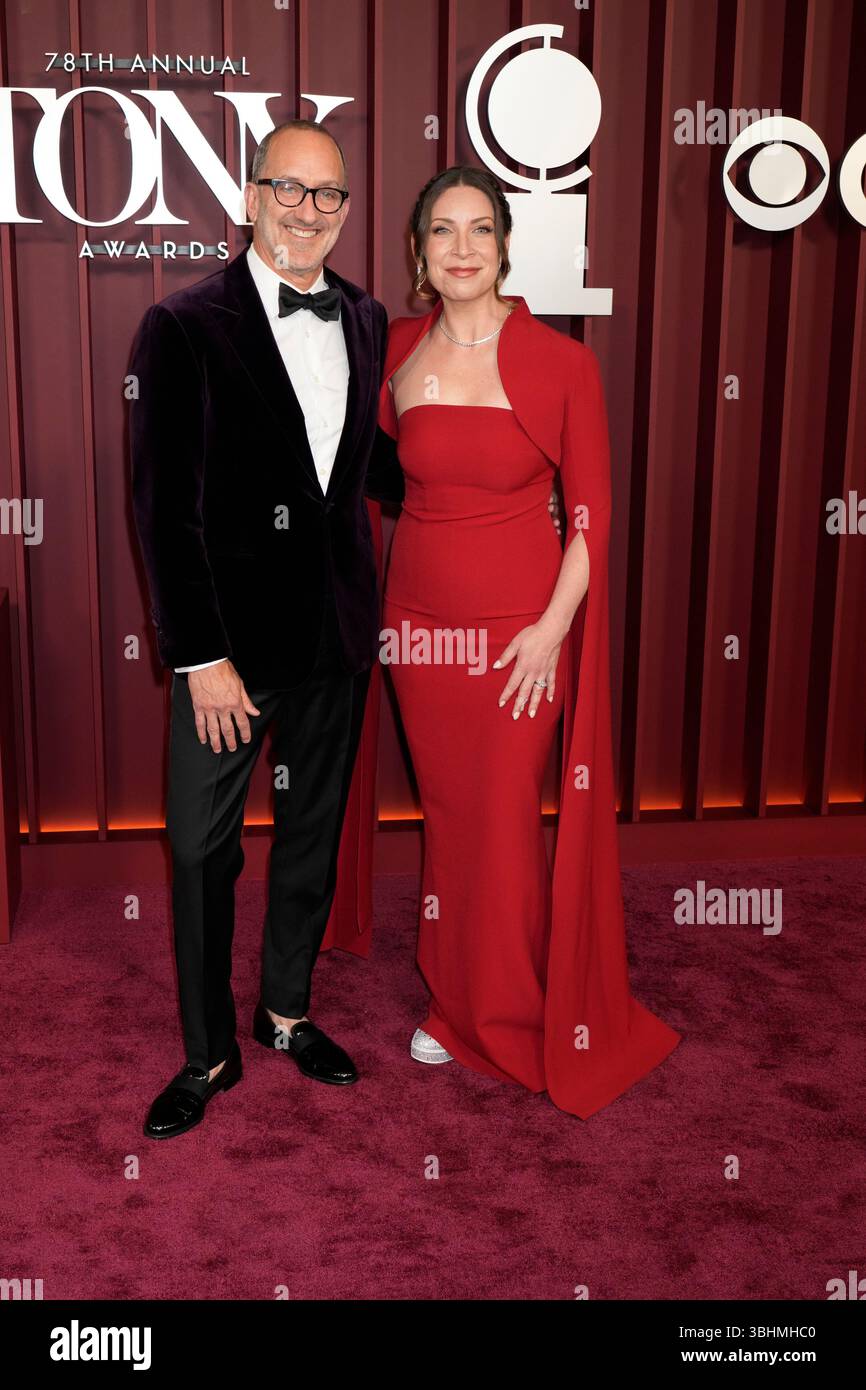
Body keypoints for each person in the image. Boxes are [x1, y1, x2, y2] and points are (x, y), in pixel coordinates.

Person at [379, 166, 681, 1119]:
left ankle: (506, 1015)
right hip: (416, 631)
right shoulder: (396, 350)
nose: (462, 248)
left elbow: (591, 519)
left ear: (506, 245)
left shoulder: (562, 363)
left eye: (480, 229)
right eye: (442, 231)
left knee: (504, 819)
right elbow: (384, 477)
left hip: (519, 637)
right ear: (420, 251)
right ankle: (452, 999)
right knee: (450, 817)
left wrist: (552, 632)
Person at [129, 119, 403, 1139]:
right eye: (288, 188)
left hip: (336, 636)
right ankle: (207, 1054)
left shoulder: (365, 316)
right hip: (229, 653)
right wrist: (199, 656)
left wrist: (492, 477)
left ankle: (286, 1011)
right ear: (250, 198)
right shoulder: (181, 325)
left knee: (311, 834)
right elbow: (164, 510)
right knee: (202, 851)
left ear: (344, 210)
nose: (306, 210)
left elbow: (367, 465)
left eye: (327, 194)